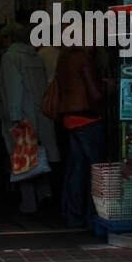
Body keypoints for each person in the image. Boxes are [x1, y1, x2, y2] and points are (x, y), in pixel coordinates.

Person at [0, 21, 59, 215]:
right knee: (40, 155)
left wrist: (15, 116)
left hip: (23, 115)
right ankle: (45, 196)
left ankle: (29, 204)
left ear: (8, 38)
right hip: (40, 113)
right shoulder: (36, 57)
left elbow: (13, 88)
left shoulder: (10, 58)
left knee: (23, 158)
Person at [53, 43, 105, 229]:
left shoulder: (64, 58)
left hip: (70, 118)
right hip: (87, 118)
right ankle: (93, 215)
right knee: (96, 169)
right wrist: (109, 86)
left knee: (76, 169)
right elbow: (95, 94)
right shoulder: (83, 59)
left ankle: (71, 214)